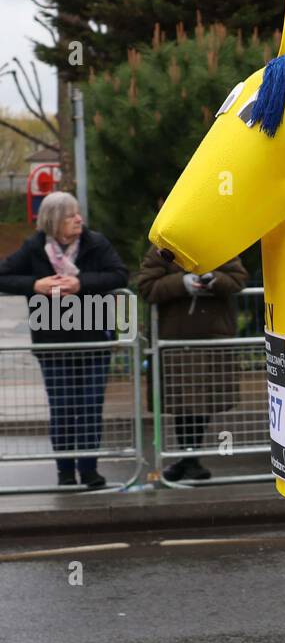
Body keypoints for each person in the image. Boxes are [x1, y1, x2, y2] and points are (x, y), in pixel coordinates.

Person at [0, 192, 127, 489]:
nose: (78, 219)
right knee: (63, 409)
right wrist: (35, 285)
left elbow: (120, 275)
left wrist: (81, 283)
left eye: (78, 213)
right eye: (71, 215)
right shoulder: (34, 248)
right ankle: (65, 473)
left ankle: (90, 470)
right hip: (53, 344)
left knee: (90, 408)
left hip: (94, 340)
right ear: (53, 221)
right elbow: (2, 275)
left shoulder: (96, 243)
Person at [138, 244, 250, 481]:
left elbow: (238, 279)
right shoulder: (161, 248)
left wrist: (213, 279)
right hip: (176, 343)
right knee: (184, 406)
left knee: (202, 404)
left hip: (211, 340)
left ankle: (190, 458)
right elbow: (147, 286)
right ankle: (189, 458)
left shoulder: (217, 243)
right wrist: (182, 283)